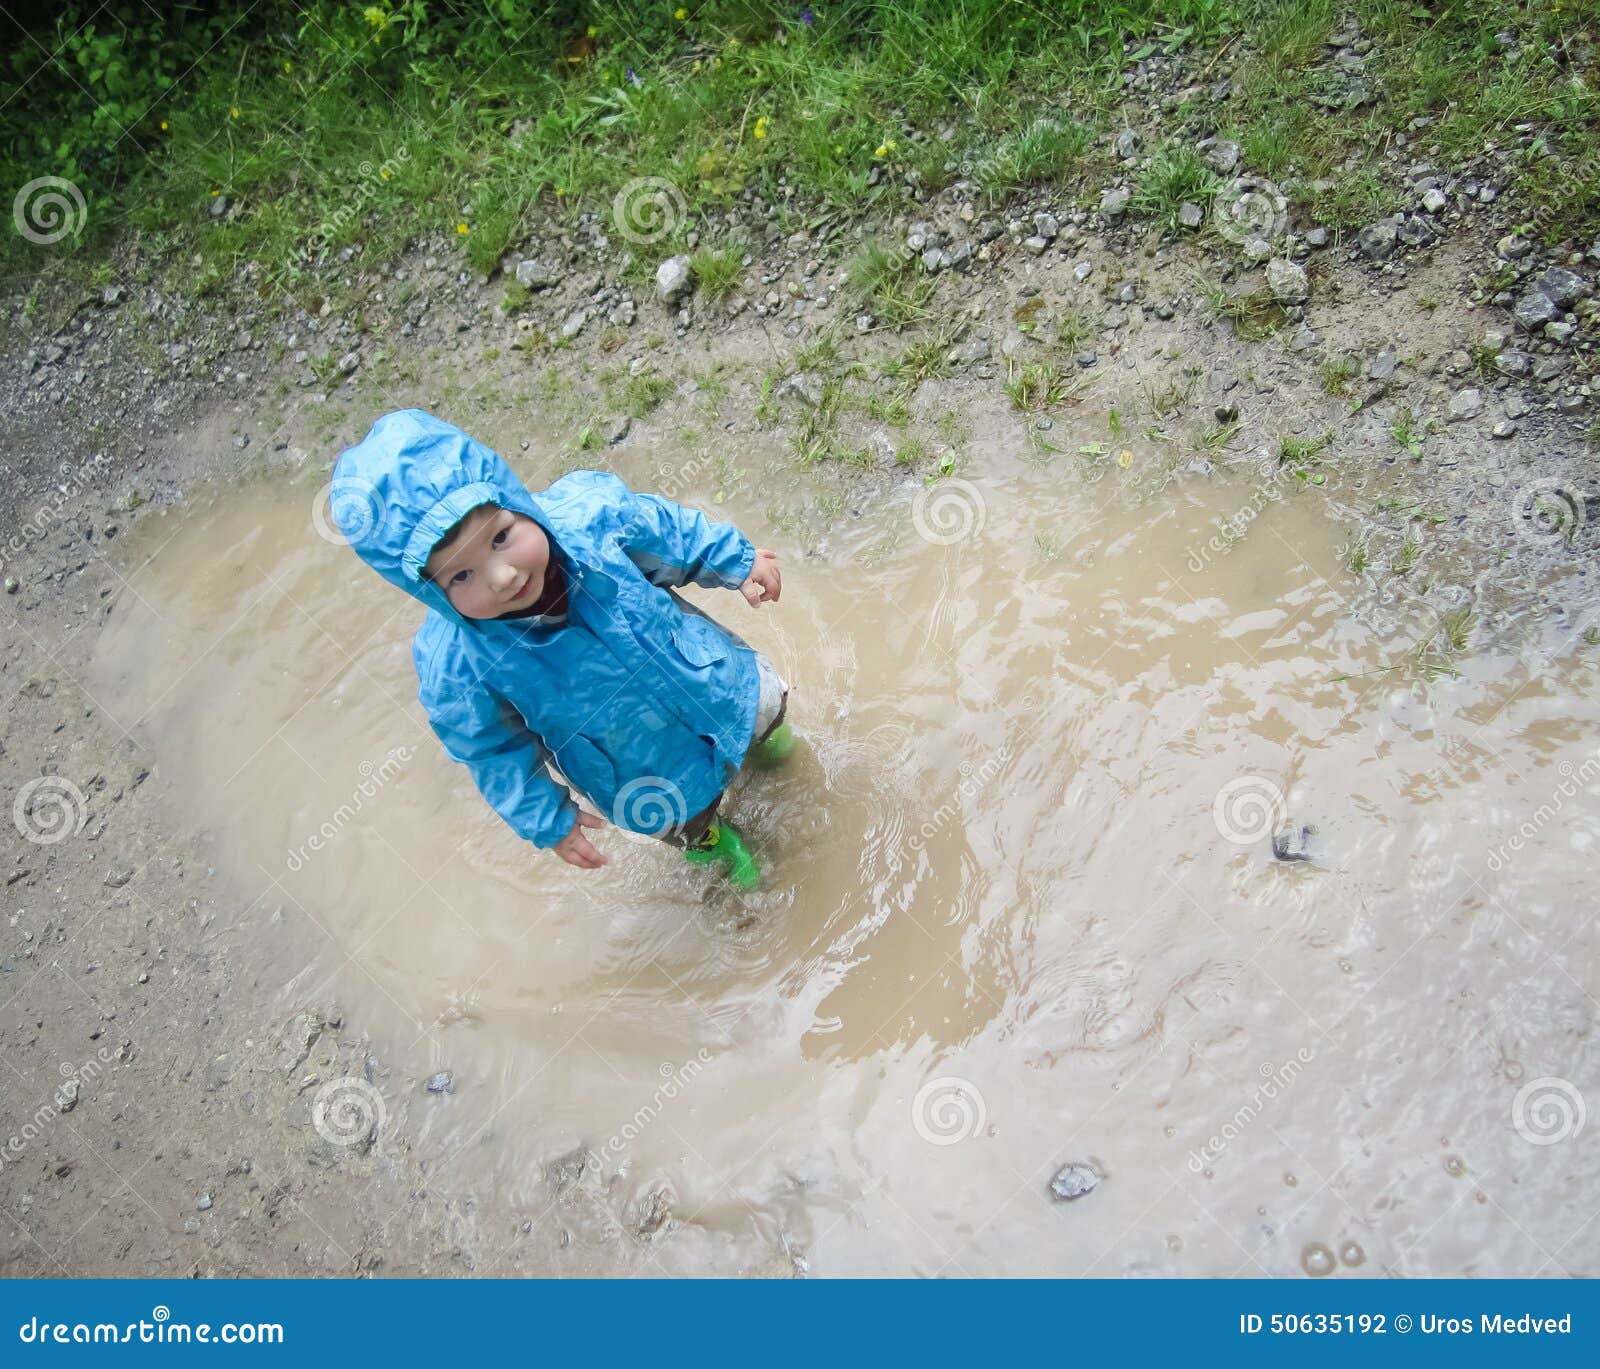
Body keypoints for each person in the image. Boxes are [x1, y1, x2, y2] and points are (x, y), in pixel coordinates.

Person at [330, 409, 794, 888]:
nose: (503, 576)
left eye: (501, 537)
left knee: (764, 720)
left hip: (717, 682)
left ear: (514, 501)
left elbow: (668, 534)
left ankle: (772, 749)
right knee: (688, 823)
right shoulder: (458, 668)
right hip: (641, 769)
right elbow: (492, 750)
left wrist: (735, 561)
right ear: (429, 591)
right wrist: (548, 820)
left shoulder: (590, 517)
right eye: (462, 575)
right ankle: (715, 845)